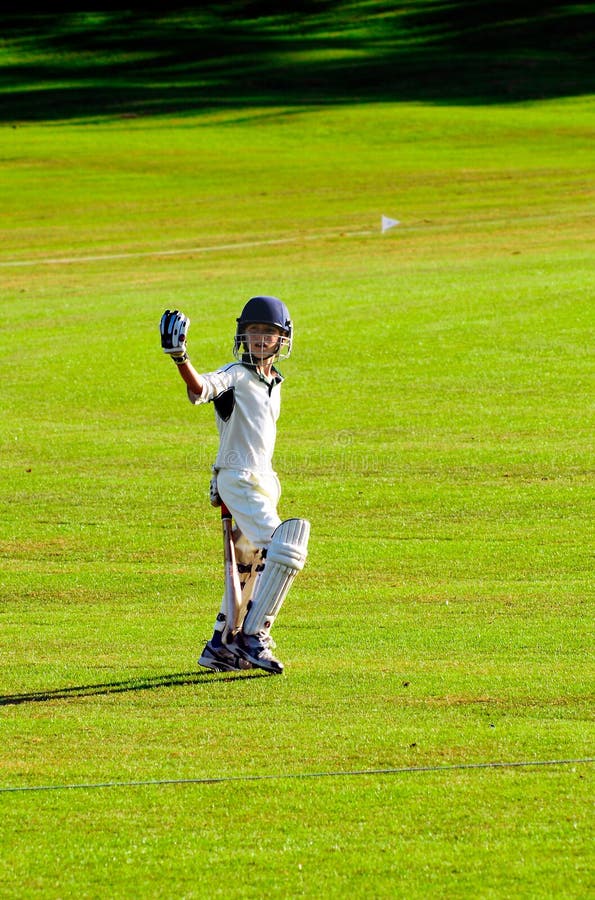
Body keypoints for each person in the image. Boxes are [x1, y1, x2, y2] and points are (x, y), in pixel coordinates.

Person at [159, 296, 310, 675]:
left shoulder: (274, 382)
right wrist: (181, 359)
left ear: (282, 340)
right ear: (243, 335)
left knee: (252, 569)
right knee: (285, 548)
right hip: (240, 480)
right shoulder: (236, 374)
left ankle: (222, 645)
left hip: (261, 480)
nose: (261, 339)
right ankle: (253, 635)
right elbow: (201, 390)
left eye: (269, 333)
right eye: (254, 331)